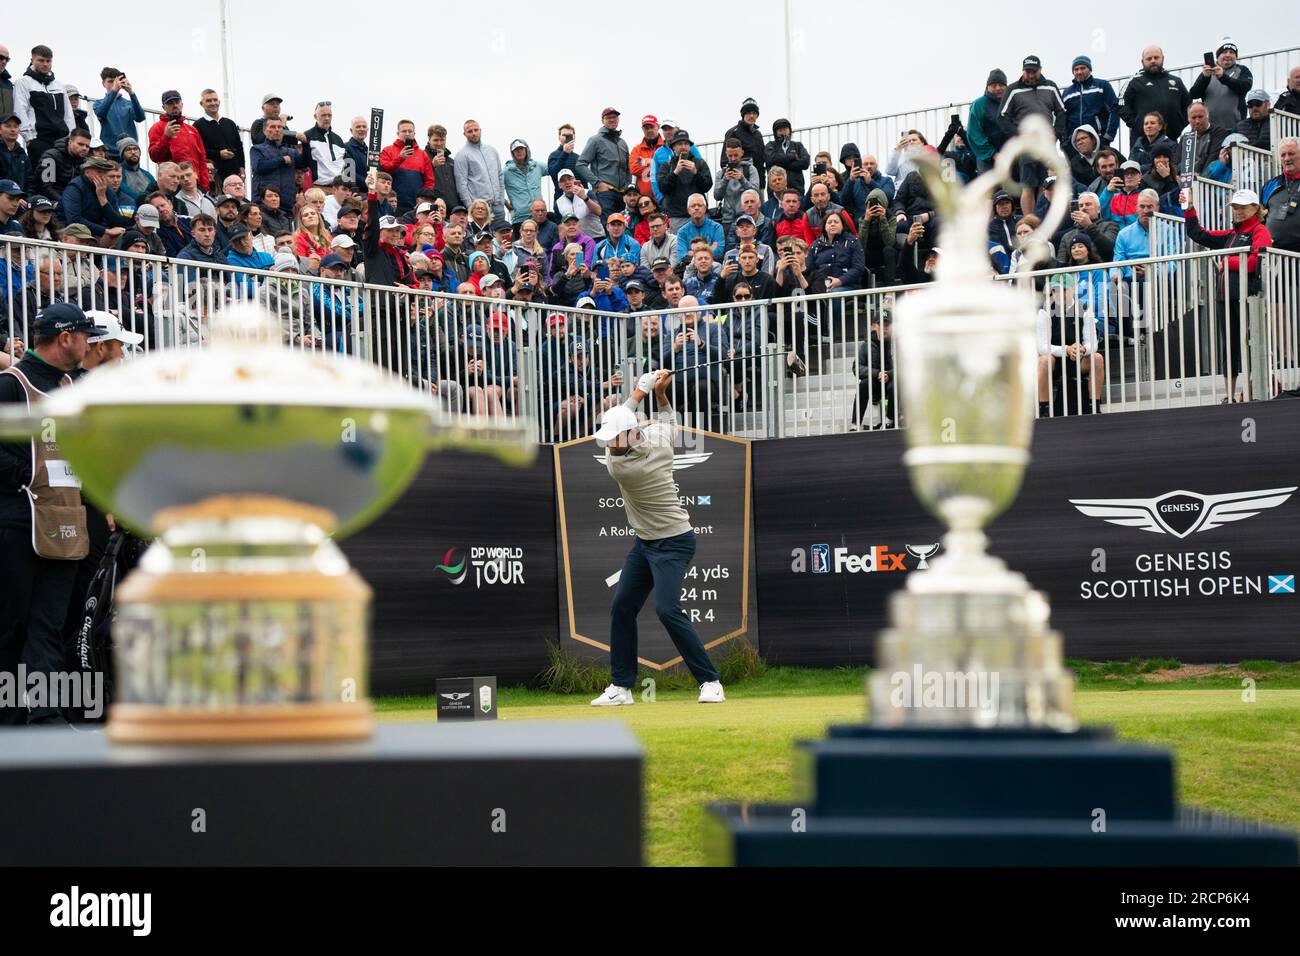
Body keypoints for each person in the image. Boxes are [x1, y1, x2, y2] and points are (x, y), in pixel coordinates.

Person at [590, 369, 725, 706]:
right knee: (622, 606)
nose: (607, 444)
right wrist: (661, 394)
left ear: (632, 435)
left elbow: (637, 416)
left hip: (674, 541)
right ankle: (621, 687)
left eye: (613, 438)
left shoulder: (621, 467)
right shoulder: (659, 440)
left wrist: (641, 389)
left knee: (667, 610)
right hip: (646, 543)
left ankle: (710, 682)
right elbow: (667, 419)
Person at [0, 302, 98, 724]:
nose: (87, 345)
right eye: (84, 336)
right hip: (17, 524)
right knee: (9, 626)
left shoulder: (73, 387)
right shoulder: (11, 385)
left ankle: (45, 719)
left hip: (65, 523)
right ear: (65, 338)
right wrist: (30, 476)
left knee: (49, 626)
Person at [1183, 188, 1271, 399]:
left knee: (1250, 344)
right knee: (1229, 347)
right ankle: (1230, 395)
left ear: (1255, 209)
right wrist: (1189, 208)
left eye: (1243, 208)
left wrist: (1227, 261)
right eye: (1235, 208)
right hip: (1225, 297)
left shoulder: (1259, 231)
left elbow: (1257, 263)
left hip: (1247, 298)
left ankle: (1251, 391)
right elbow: (1198, 234)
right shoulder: (1233, 234)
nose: (1238, 211)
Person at [998, 55, 1068, 215]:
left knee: (1046, 183)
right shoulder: (1013, 89)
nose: (1030, 75)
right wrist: (1018, 135)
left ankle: (1043, 218)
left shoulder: (1050, 86)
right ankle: (1030, 221)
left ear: (1040, 70)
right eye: (1027, 71)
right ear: (1023, 71)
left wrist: (1056, 133)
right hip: (1026, 147)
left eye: (1034, 72)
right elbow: (1002, 117)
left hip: (1047, 145)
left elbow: (1062, 112)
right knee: (1028, 185)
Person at [13, 44, 74, 169]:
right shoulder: (23, 82)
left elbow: (68, 115)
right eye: (41, 60)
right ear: (32, 60)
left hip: (62, 142)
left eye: (48, 61)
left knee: (63, 179)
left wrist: (71, 138)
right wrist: (29, 139)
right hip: (40, 140)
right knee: (46, 180)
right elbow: (20, 110)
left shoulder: (59, 85)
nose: (45, 64)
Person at [1119, 45, 1191, 142]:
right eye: (1149, 58)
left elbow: (1188, 104)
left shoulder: (1176, 81)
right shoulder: (1133, 82)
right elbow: (1121, 104)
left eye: (1156, 57)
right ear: (1142, 61)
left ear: (1163, 58)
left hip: (1171, 140)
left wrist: (1179, 124)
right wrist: (1137, 124)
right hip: (1142, 142)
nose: (1153, 61)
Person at [576, 107, 632, 224]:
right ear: (603, 121)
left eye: (614, 117)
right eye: (608, 118)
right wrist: (598, 183)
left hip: (622, 194)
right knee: (610, 227)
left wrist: (627, 188)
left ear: (618, 120)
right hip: (605, 193)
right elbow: (580, 164)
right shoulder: (595, 140)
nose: (612, 120)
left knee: (622, 227)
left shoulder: (623, 143)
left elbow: (627, 168)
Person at [147, 90, 209, 192]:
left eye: (177, 102)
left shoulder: (192, 130)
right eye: (170, 103)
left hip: (195, 185)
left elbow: (202, 158)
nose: (175, 106)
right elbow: (154, 156)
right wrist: (166, 137)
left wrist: (204, 186)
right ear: (164, 107)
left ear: (182, 104)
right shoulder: (157, 128)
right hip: (174, 185)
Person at [1188, 39, 1254, 130]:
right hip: (1210, 129)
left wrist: (1223, 77)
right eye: (1224, 52)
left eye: (1231, 52)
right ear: (1218, 55)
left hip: (1235, 127)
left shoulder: (1242, 70)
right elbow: (1193, 94)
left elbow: (1245, 86)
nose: (1228, 55)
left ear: (1236, 56)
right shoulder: (1207, 72)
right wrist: (1204, 78)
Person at [659, 131, 713, 232]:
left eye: (686, 144)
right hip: (677, 217)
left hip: (699, 215)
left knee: (703, 247)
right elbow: (663, 188)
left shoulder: (700, 163)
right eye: (680, 144)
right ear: (673, 147)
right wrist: (675, 173)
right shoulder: (666, 166)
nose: (683, 147)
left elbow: (708, 186)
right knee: (679, 247)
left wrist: (696, 173)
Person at [1062, 55, 1120, 149]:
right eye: (1076, 69)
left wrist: (1108, 136)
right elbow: (1062, 117)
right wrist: (1065, 140)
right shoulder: (1067, 93)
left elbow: (1115, 109)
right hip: (1074, 142)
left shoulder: (1102, 86)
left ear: (1090, 69)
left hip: (1098, 139)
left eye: (1082, 68)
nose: (1079, 72)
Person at [380, 119, 435, 214]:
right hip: (393, 203)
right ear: (398, 133)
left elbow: (429, 180)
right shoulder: (387, 150)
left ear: (414, 133)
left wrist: (424, 199)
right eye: (404, 131)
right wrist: (400, 158)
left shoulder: (422, 154)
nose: (407, 133)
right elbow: (384, 170)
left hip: (416, 205)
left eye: (410, 131)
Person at [455, 119, 505, 222]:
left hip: (498, 208)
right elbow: (461, 184)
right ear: (464, 134)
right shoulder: (462, 155)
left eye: (476, 130)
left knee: (501, 237)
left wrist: (501, 200)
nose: (473, 133)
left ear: (480, 130)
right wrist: (471, 207)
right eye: (470, 131)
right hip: (479, 210)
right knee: (483, 238)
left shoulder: (492, 151)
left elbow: (500, 176)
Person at [251, 116, 307, 206]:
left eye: (279, 127)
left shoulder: (291, 151)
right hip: (263, 204)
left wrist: (305, 144)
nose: (277, 130)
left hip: (286, 204)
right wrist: (281, 160)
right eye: (272, 127)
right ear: (264, 131)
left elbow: (304, 165)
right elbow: (259, 166)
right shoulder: (257, 149)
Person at [93, 68, 144, 161]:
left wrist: (131, 92)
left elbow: (140, 117)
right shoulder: (98, 103)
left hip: (129, 150)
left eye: (116, 81)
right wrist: (114, 91)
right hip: (109, 152)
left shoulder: (128, 103)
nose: (113, 84)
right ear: (103, 84)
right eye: (110, 81)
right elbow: (101, 113)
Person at [1260, 138, 1300, 253]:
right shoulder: (1270, 185)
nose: (1287, 159)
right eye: (1283, 155)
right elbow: (1261, 218)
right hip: (1274, 253)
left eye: (1291, 154)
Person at [966, 69, 1009, 174]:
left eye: (1001, 85)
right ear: (987, 87)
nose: (998, 88)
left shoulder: (1012, 102)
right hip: (987, 158)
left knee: (1014, 189)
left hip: (1010, 157)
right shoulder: (979, 105)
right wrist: (993, 154)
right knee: (990, 189)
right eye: (994, 85)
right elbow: (974, 133)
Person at [713, 138, 760, 232]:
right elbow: (717, 196)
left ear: (742, 152)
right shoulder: (721, 173)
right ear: (726, 154)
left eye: (736, 155)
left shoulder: (751, 169)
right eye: (730, 155)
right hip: (727, 220)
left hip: (747, 218)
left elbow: (755, 193)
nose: (733, 158)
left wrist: (742, 179)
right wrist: (725, 180)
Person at [724, 98, 766, 187]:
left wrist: (762, 182)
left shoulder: (758, 134)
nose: (751, 116)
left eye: (754, 113)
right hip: (738, 185)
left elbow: (761, 159)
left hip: (758, 183)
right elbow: (724, 161)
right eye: (748, 113)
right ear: (743, 115)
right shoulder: (733, 132)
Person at [763, 118, 810, 195]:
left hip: (796, 188)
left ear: (789, 130)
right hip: (775, 191)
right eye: (780, 130)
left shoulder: (798, 145)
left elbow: (805, 163)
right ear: (775, 132)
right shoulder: (770, 145)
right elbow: (771, 159)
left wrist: (780, 164)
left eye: (785, 129)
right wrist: (793, 157)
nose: (783, 132)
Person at [502, 139, 542, 225]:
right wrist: (507, 204)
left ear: (526, 150)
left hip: (539, 216)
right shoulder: (506, 172)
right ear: (513, 153)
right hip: (520, 219)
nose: (519, 152)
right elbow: (495, 186)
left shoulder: (537, 166)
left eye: (521, 149)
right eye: (516, 150)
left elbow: (554, 169)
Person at [1185, 103, 1229, 177]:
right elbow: (1177, 162)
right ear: (1188, 119)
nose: (1197, 121)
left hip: (1210, 180)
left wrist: (1199, 177)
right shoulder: (1185, 138)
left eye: (1200, 117)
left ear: (1207, 116)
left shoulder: (1219, 132)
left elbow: (1213, 157)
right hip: (1188, 181)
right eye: (1193, 117)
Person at [629, 114, 662, 199]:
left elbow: (670, 167)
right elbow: (634, 169)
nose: (649, 130)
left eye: (652, 127)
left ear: (658, 126)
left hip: (665, 196)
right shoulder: (637, 149)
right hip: (645, 200)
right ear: (642, 129)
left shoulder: (666, 147)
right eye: (646, 128)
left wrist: (645, 163)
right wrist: (657, 165)